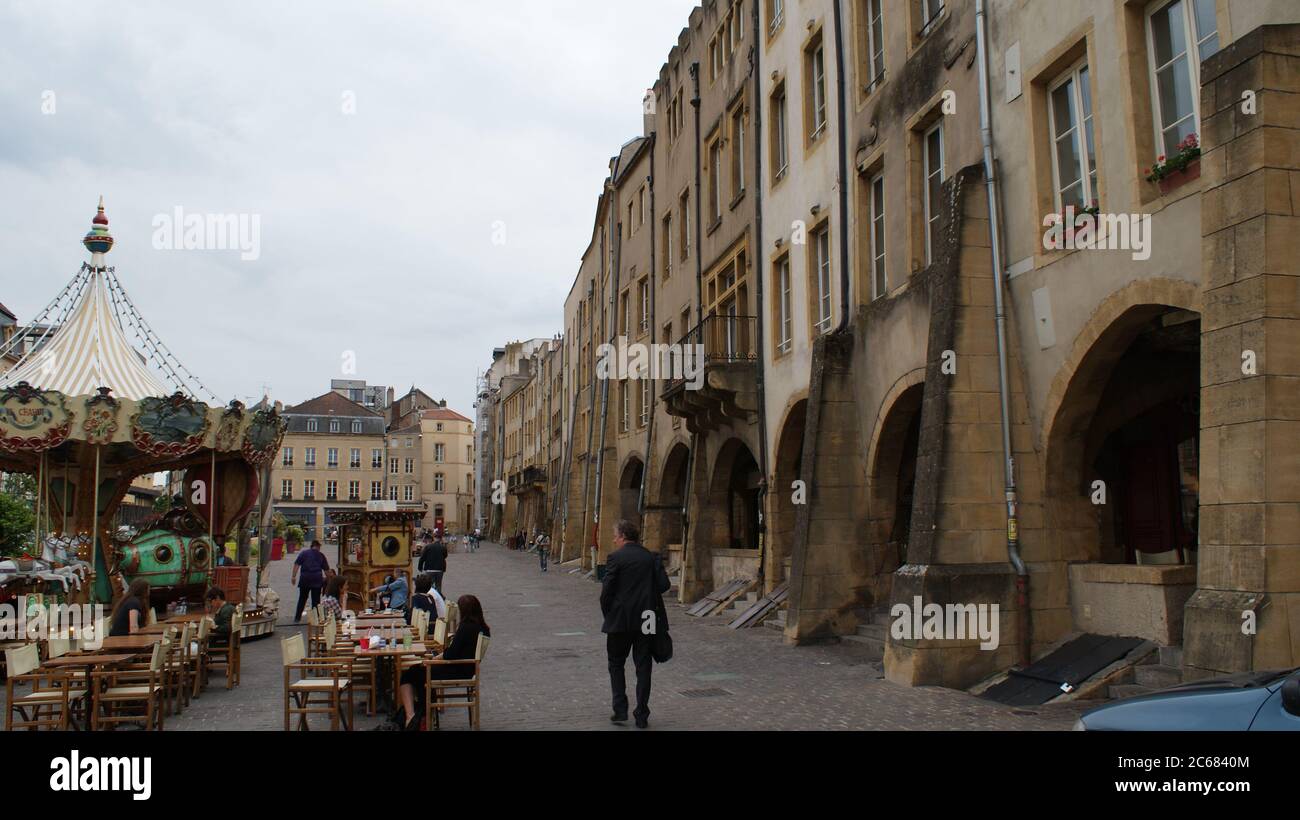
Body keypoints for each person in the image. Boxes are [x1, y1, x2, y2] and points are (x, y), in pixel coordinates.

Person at [601, 519, 670, 729]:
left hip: (620, 619)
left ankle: (620, 708)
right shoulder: (650, 558)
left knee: (616, 663)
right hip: (647, 617)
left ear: (623, 536)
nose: (614, 540)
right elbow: (664, 585)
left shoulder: (615, 558)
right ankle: (641, 714)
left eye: (615, 536)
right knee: (643, 666)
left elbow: (606, 593)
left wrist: (609, 614)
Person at [397, 594, 489, 731]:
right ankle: (424, 713)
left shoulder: (465, 627)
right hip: (467, 668)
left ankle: (412, 716)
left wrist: (434, 660)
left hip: (457, 669)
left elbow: (451, 654)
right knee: (418, 672)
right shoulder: (483, 628)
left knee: (410, 673)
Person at [291, 539, 331, 623]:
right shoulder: (321, 555)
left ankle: (297, 618)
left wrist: (293, 576)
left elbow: (297, 564)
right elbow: (327, 570)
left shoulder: (304, 553)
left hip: (305, 579)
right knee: (315, 601)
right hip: (316, 579)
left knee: (302, 598)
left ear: (312, 545)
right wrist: (329, 580)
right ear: (318, 546)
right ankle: (315, 619)